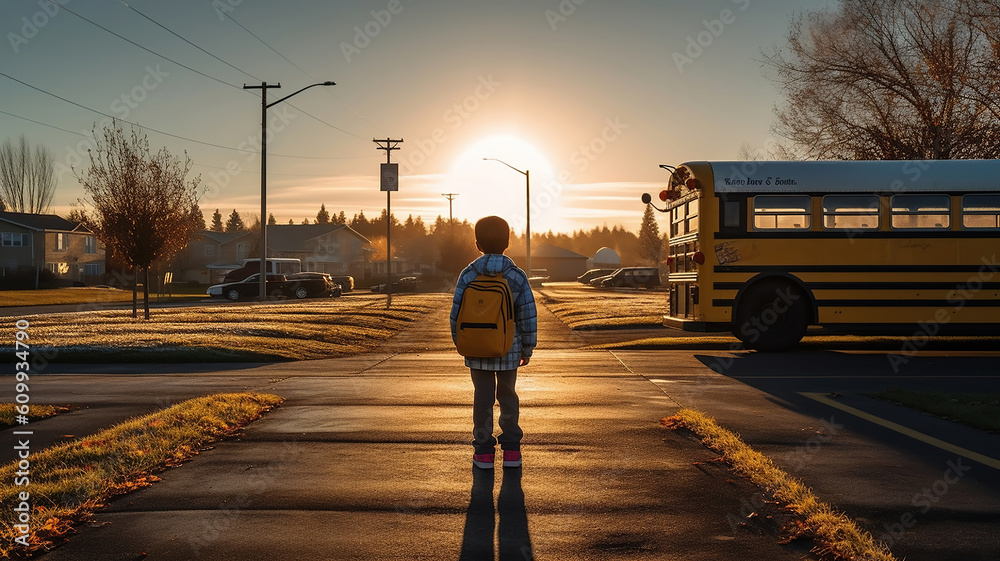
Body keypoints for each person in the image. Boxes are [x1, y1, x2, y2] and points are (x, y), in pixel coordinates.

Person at [450, 215, 537, 469]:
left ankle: (484, 452)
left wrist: (461, 343)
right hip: (509, 349)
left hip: (476, 349)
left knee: (483, 398)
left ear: (477, 244)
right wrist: (527, 347)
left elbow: (456, 314)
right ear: (507, 242)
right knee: (508, 396)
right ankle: (511, 451)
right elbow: (527, 314)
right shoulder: (516, 275)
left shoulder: (468, 274)